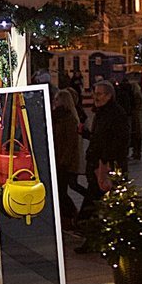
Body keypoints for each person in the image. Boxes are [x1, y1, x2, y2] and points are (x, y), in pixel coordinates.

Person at [84, 79, 131, 195]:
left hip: (108, 168)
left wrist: (104, 161)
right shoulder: (101, 113)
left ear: (109, 95)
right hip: (98, 166)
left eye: (99, 94)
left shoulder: (116, 114)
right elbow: (99, 137)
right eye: (94, 94)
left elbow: (119, 140)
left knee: (94, 206)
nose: (95, 97)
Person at [50, 88, 86, 221]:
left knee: (62, 191)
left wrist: (63, 162)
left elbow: (70, 143)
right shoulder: (58, 117)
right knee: (65, 189)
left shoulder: (68, 119)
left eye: (57, 99)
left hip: (65, 162)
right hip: (60, 159)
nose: (54, 101)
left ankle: (73, 214)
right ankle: (69, 215)